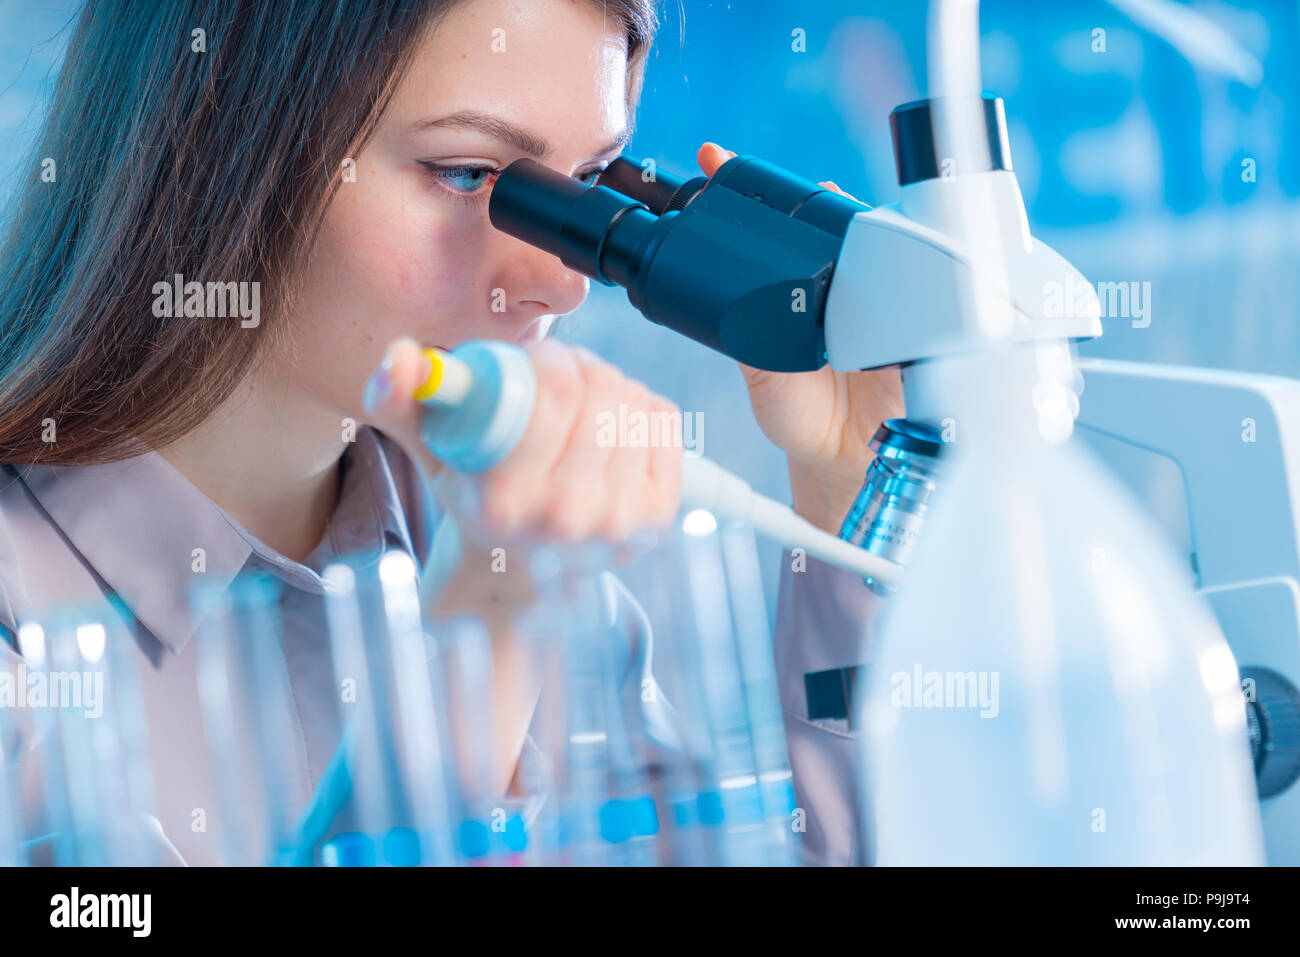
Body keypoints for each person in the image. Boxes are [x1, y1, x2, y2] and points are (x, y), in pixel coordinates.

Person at [0, 0, 899, 865]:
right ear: (208, 149)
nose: (560, 282)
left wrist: (845, 497)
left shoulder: (523, 568)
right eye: (465, 173)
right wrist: (479, 646)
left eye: (586, 186)